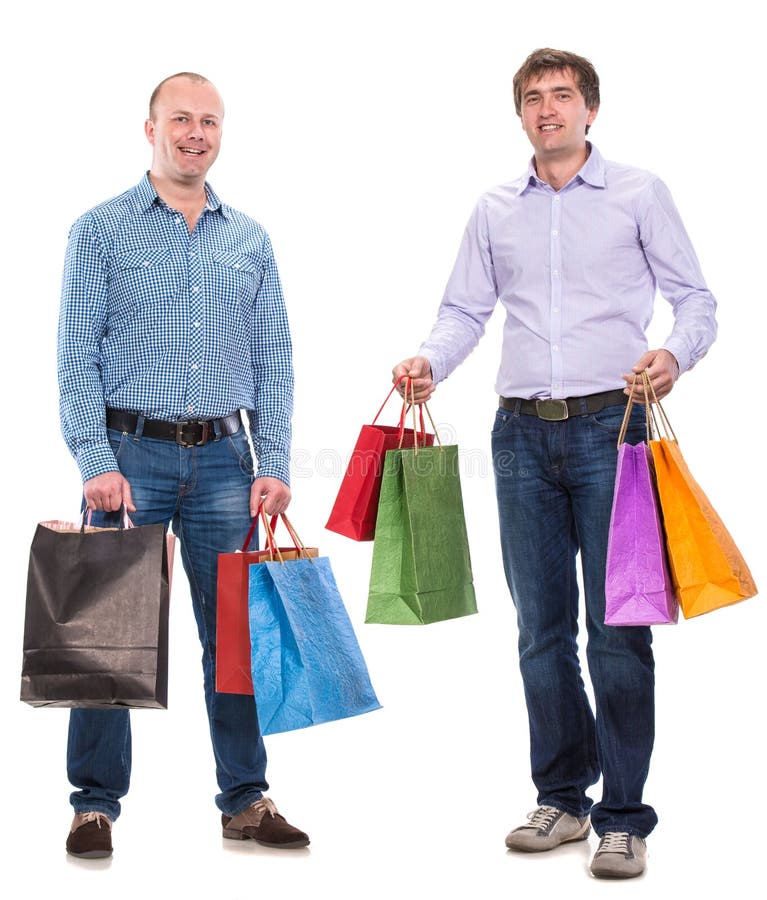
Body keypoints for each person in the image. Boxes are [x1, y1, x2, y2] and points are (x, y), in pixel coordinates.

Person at [393, 48, 716, 879]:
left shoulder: (638, 193)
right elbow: (463, 310)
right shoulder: (494, 208)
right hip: (519, 438)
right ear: (520, 114)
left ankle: (623, 817)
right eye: (533, 97)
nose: (547, 109)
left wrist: (672, 357)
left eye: (562, 95)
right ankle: (563, 799)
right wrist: (431, 362)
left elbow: (695, 301)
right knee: (540, 631)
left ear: (589, 110)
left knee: (618, 629)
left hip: (614, 430)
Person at [57, 72, 309, 858]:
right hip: (130, 459)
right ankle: (94, 805)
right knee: (109, 634)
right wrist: (95, 458)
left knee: (233, 635)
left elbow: (274, 359)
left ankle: (245, 799)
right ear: (150, 129)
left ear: (220, 133)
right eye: (180, 119)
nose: (195, 133)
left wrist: (275, 460)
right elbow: (75, 357)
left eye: (209, 121)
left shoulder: (250, 239)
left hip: (229, 464)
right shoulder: (100, 230)